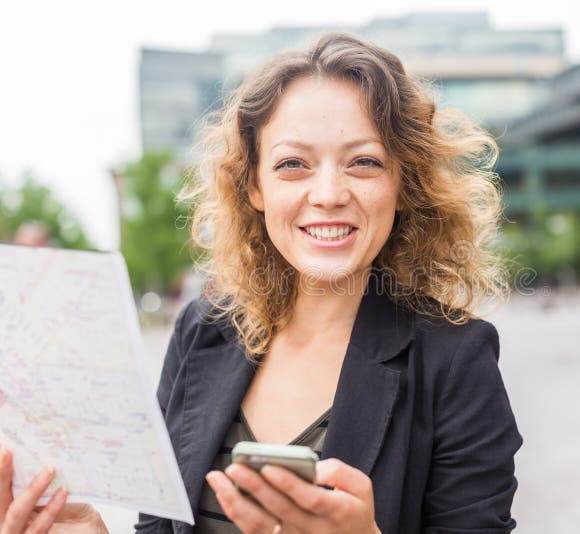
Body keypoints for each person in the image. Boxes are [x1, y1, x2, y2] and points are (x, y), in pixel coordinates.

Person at [0, 32, 523, 533]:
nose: (328, 193)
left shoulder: (456, 362)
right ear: (253, 185)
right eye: (293, 164)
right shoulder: (202, 329)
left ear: (402, 185)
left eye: (363, 162)